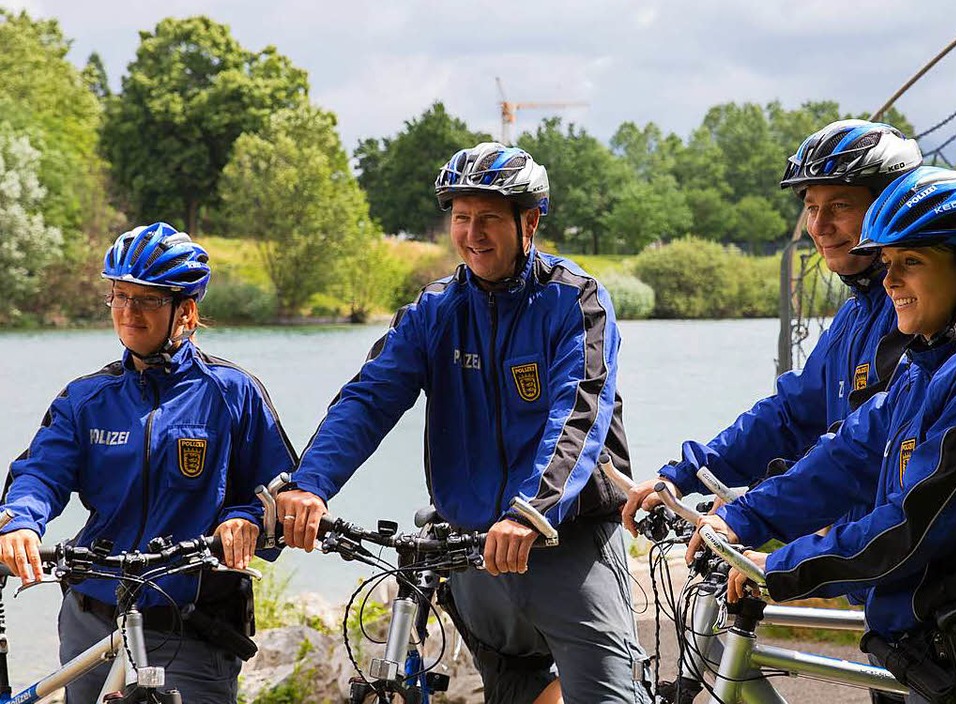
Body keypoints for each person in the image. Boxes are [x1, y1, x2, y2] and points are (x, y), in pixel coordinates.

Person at [278, 142, 650, 703]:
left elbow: (576, 413)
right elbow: (369, 399)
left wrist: (531, 512)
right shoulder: (435, 310)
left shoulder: (574, 302)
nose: (473, 233)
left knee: (610, 698)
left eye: (489, 219)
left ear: (529, 222)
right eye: (461, 218)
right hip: (474, 551)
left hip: (563, 541)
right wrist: (311, 485)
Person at [0, 222, 297, 703]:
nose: (128, 312)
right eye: (119, 296)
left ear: (187, 311)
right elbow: (40, 473)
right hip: (92, 618)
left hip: (193, 627)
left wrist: (243, 518)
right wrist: (20, 523)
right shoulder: (86, 398)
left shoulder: (232, 394)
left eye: (148, 300)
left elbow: (280, 494)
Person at [701, 166, 956, 703]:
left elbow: (912, 524)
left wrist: (784, 568)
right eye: (888, 262)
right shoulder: (923, 366)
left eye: (911, 262)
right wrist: (741, 518)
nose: (890, 281)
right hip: (914, 650)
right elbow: (846, 457)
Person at [621, 120, 922, 527]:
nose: (817, 226)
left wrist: (752, 514)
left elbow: (861, 452)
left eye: (840, 206)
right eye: (811, 207)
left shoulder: (919, 317)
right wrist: (680, 476)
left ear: (892, 205)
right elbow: (791, 414)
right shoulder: (857, 314)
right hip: (871, 571)